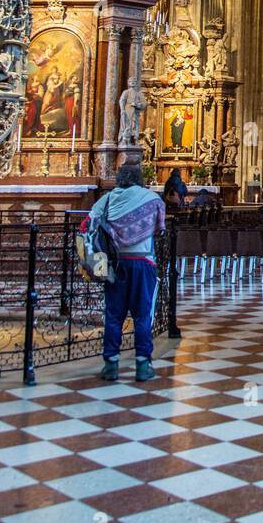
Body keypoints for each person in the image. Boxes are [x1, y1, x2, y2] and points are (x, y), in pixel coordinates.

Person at [88, 163, 165, 383]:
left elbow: (90, 223)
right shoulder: (151, 198)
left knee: (113, 316)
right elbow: (160, 228)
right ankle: (142, 364)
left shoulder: (109, 198)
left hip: (116, 263)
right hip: (142, 262)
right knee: (142, 315)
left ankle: (111, 363)